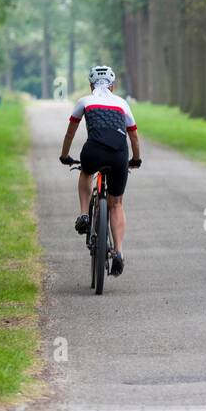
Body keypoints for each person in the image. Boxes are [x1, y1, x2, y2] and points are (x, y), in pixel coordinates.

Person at [59, 64, 141, 277]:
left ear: (90, 85)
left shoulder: (85, 101)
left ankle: (84, 215)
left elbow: (70, 132)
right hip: (119, 154)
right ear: (113, 86)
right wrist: (136, 159)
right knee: (117, 204)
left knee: (86, 173)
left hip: (93, 150)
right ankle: (119, 252)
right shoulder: (122, 103)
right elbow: (133, 135)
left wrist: (65, 155)